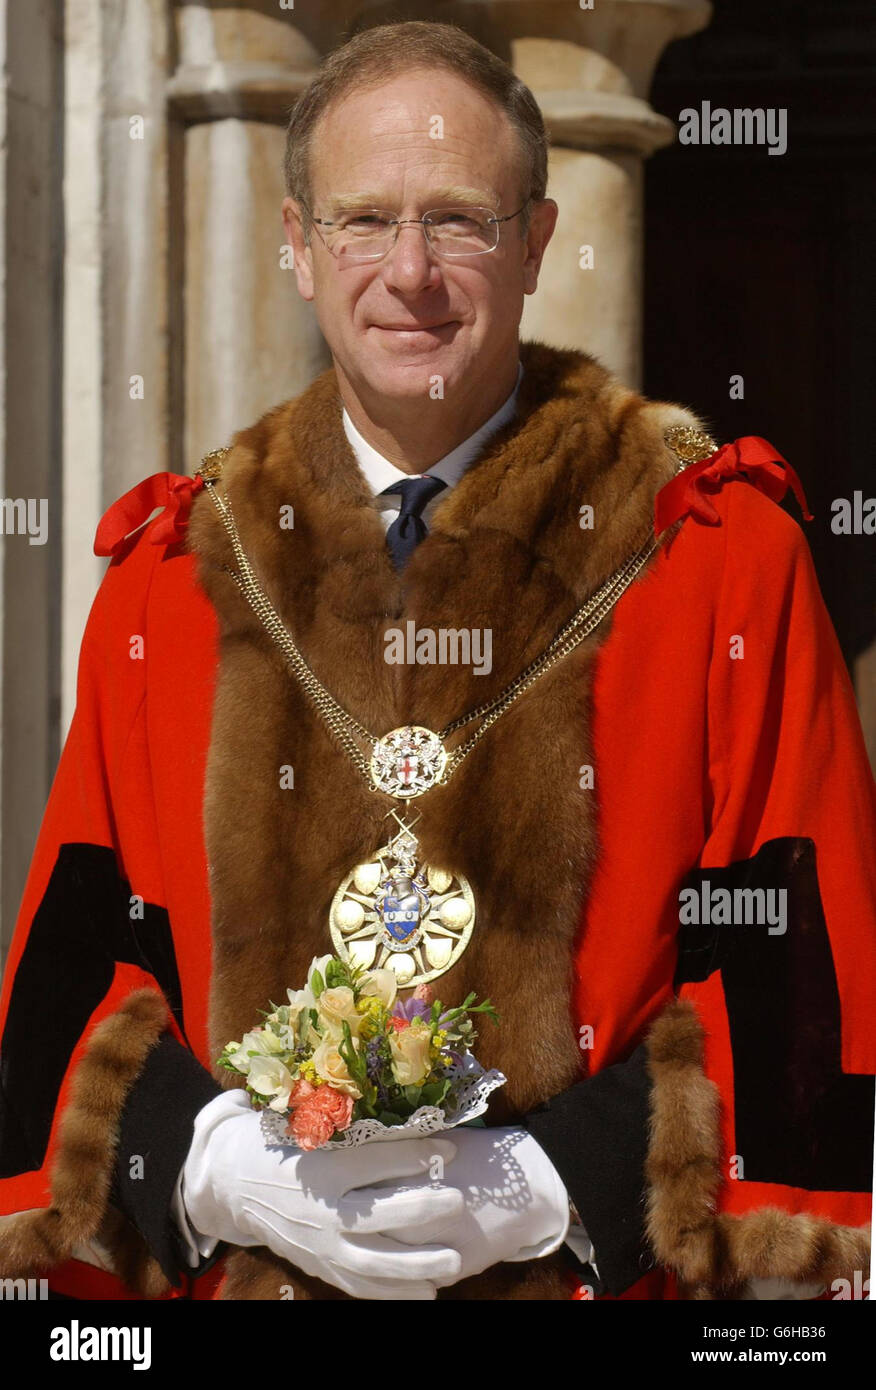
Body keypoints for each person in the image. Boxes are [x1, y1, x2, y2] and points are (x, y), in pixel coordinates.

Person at [0, 21, 873, 1303]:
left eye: (458, 220)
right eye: (363, 222)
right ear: (297, 248)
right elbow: (81, 964)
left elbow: (800, 970)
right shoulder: (172, 579)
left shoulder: (719, 555)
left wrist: (559, 1180)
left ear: (533, 239)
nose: (409, 272)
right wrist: (197, 1158)